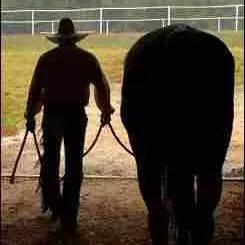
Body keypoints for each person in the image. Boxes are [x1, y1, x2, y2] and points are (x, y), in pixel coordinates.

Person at [121, 24, 234, 245]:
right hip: (206, 133)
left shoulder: (141, 53)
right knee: (209, 172)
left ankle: (159, 223)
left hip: (150, 130)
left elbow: (131, 118)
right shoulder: (215, 52)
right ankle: (201, 228)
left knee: (153, 179)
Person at [24, 18, 114, 233]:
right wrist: (105, 111)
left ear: (58, 39)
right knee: (74, 165)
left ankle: (55, 205)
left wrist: (30, 115)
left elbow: (35, 90)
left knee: (50, 161)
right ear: (74, 37)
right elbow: (101, 86)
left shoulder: (46, 59)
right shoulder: (87, 58)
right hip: (76, 115)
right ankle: (69, 217)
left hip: (53, 115)